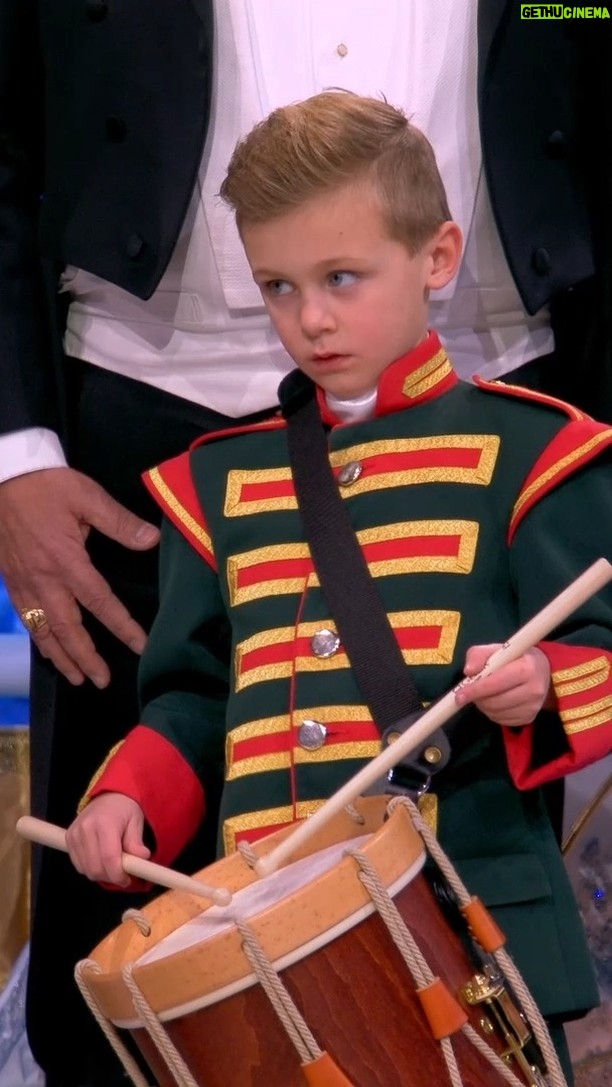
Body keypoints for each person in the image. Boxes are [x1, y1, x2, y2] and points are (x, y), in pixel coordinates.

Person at [0, 5, 610, 1086]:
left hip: (468, 937)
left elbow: (595, 646)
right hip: (259, 929)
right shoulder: (212, 491)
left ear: (439, 256)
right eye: (279, 287)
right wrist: (125, 796)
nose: (311, 321)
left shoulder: (535, 453)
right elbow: (191, 698)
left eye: (341, 281)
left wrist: (542, 686)